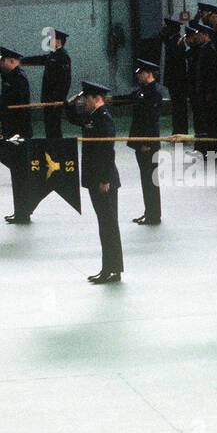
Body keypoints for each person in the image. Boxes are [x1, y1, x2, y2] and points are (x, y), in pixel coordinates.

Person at [65, 81, 124, 284]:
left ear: (95, 98)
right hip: (95, 179)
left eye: (85, 99)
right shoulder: (92, 118)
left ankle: (113, 270)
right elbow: (73, 117)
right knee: (104, 225)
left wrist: (105, 179)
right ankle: (108, 268)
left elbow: (108, 151)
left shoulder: (104, 120)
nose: (83, 103)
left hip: (103, 181)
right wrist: (70, 103)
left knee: (109, 225)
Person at [128, 59, 165, 225]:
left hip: (148, 144)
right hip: (140, 142)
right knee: (146, 179)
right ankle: (149, 211)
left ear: (148, 74)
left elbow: (152, 120)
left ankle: (154, 215)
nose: (138, 76)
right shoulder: (142, 91)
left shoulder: (154, 93)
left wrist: (147, 143)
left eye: (140, 73)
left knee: (150, 180)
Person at [19, 28, 72, 139]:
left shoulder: (63, 56)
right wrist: (21, 61)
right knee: (49, 126)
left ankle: (57, 151)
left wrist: (58, 99)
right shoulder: (53, 55)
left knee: (54, 127)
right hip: (49, 99)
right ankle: (52, 150)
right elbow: (40, 59)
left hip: (54, 100)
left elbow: (65, 81)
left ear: (58, 41)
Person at [1, 45, 33, 224]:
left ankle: (23, 212)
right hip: (11, 131)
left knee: (20, 173)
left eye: (3, 60)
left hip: (18, 133)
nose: (0, 63)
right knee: (17, 173)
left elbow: (15, 104)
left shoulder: (18, 78)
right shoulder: (8, 77)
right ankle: (21, 211)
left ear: (11, 61)